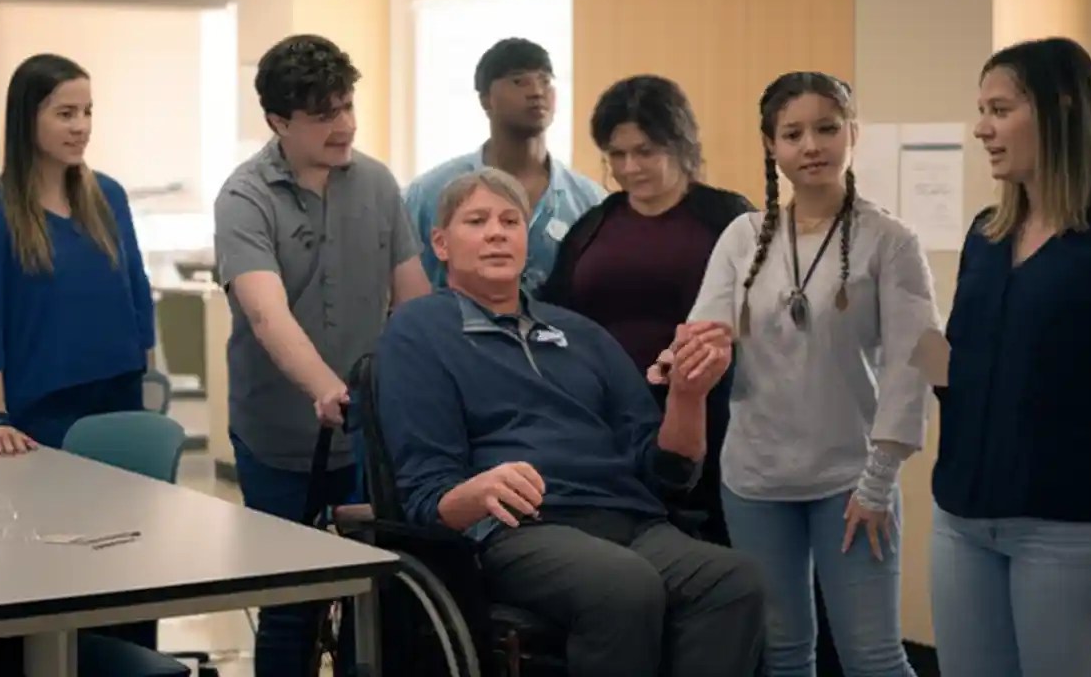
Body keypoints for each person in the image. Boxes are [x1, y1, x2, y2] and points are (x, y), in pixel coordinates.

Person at [377, 168, 766, 677]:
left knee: (735, 579)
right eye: (477, 220)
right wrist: (480, 489)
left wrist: (687, 397)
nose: (497, 231)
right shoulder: (418, 331)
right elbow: (427, 494)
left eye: (510, 220)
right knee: (623, 586)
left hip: (628, 519)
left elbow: (668, 471)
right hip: (520, 529)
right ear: (441, 243)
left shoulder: (581, 333)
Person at [930, 37, 1091, 677]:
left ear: (1062, 108)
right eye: (981, 109)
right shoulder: (986, 237)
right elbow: (960, 372)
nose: (981, 128)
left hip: (1067, 533)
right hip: (961, 520)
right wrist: (891, 336)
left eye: (1000, 108)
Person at [670, 71, 937, 676]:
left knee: (873, 656)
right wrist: (681, 358)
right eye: (793, 134)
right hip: (755, 480)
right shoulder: (742, 237)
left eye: (826, 128)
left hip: (852, 479)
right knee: (785, 654)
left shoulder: (889, 240)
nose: (811, 145)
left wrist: (878, 480)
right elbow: (706, 329)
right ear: (771, 146)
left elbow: (911, 367)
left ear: (852, 134)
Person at [213, 33, 429, 676]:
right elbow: (264, 313)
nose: (346, 126)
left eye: (348, 106)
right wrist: (326, 390)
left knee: (380, 598)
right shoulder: (245, 198)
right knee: (291, 605)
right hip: (281, 438)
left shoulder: (378, 184)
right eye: (324, 114)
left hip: (373, 440)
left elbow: (413, 300)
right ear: (279, 121)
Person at [0, 53, 157, 655]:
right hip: (39, 418)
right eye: (65, 112)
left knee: (128, 569)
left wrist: (145, 389)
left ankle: (136, 663)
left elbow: (136, 293)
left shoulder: (108, 197)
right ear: (28, 119)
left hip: (117, 401)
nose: (81, 126)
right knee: (59, 578)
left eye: (88, 111)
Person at [540, 75, 752, 545]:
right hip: (608, 431)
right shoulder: (594, 225)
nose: (630, 166)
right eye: (617, 154)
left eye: (646, 150)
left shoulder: (729, 220)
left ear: (679, 145)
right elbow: (553, 318)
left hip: (711, 428)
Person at [404, 37, 603, 295]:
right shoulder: (431, 192)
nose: (536, 92)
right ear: (486, 99)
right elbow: (406, 286)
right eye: (519, 81)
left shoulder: (588, 201)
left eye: (545, 81)